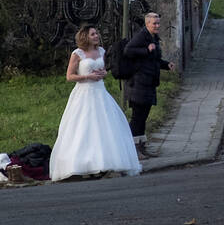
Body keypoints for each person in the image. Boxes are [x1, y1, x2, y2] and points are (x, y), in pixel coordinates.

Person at [49, 26, 142, 181]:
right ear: (85, 37)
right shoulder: (77, 54)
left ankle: (104, 162)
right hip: (84, 93)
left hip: (100, 93)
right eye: (93, 34)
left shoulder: (101, 51)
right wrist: (87, 77)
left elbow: (102, 70)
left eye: (97, 33)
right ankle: (81, 164)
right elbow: (69, 76)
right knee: (83, 127)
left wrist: (103, 74)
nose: (96, 36)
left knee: (105, 127)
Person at [123, 12, 179, 158]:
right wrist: (146, 49)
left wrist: (167, 65)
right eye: (154, 23)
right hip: (138, 84)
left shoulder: (153, 37)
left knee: (143, 117)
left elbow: (154, 60)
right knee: (137, 117)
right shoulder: (142, 36)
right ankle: (133, 149)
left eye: (158, 23)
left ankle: (141, 147)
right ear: (147, 24)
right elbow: (128, 50)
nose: (157, 26)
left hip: (148, 83)